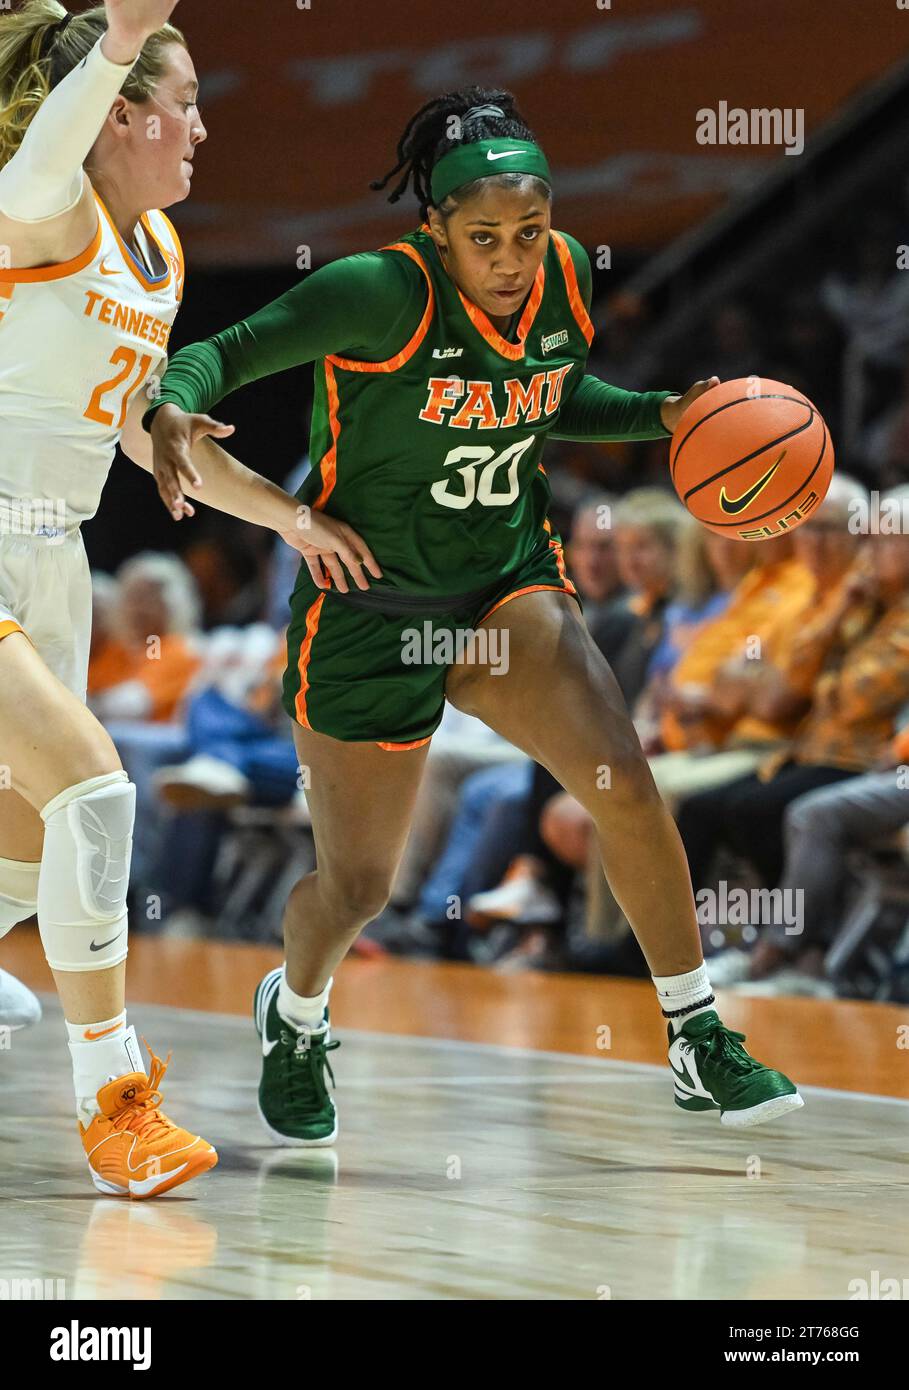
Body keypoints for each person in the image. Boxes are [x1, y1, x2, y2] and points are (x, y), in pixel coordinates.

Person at [147, 88, 804, 1140]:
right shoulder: (372, 293)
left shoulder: (561, 285)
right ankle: (299, 1011)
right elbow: (214, 354)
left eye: (530, 233)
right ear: (436, 230)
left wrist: (664, 415)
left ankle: (695, 1033)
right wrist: (175, 405)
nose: (511, 257)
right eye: (485, 238)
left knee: (623, 783)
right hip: (368, 602)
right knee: (358, 884)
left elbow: (556, 397)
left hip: (504, 584)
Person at [0, 0, 374, 1197]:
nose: (206, 129)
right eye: (188, 101)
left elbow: (153, 441)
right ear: (122, 114)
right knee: (99, 797)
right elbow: (45, 157)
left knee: (22, 860)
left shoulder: (154, 257)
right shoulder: (41, 203)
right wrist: (120, 35)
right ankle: (116, 1103)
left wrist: (298, 520)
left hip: (54, 560)